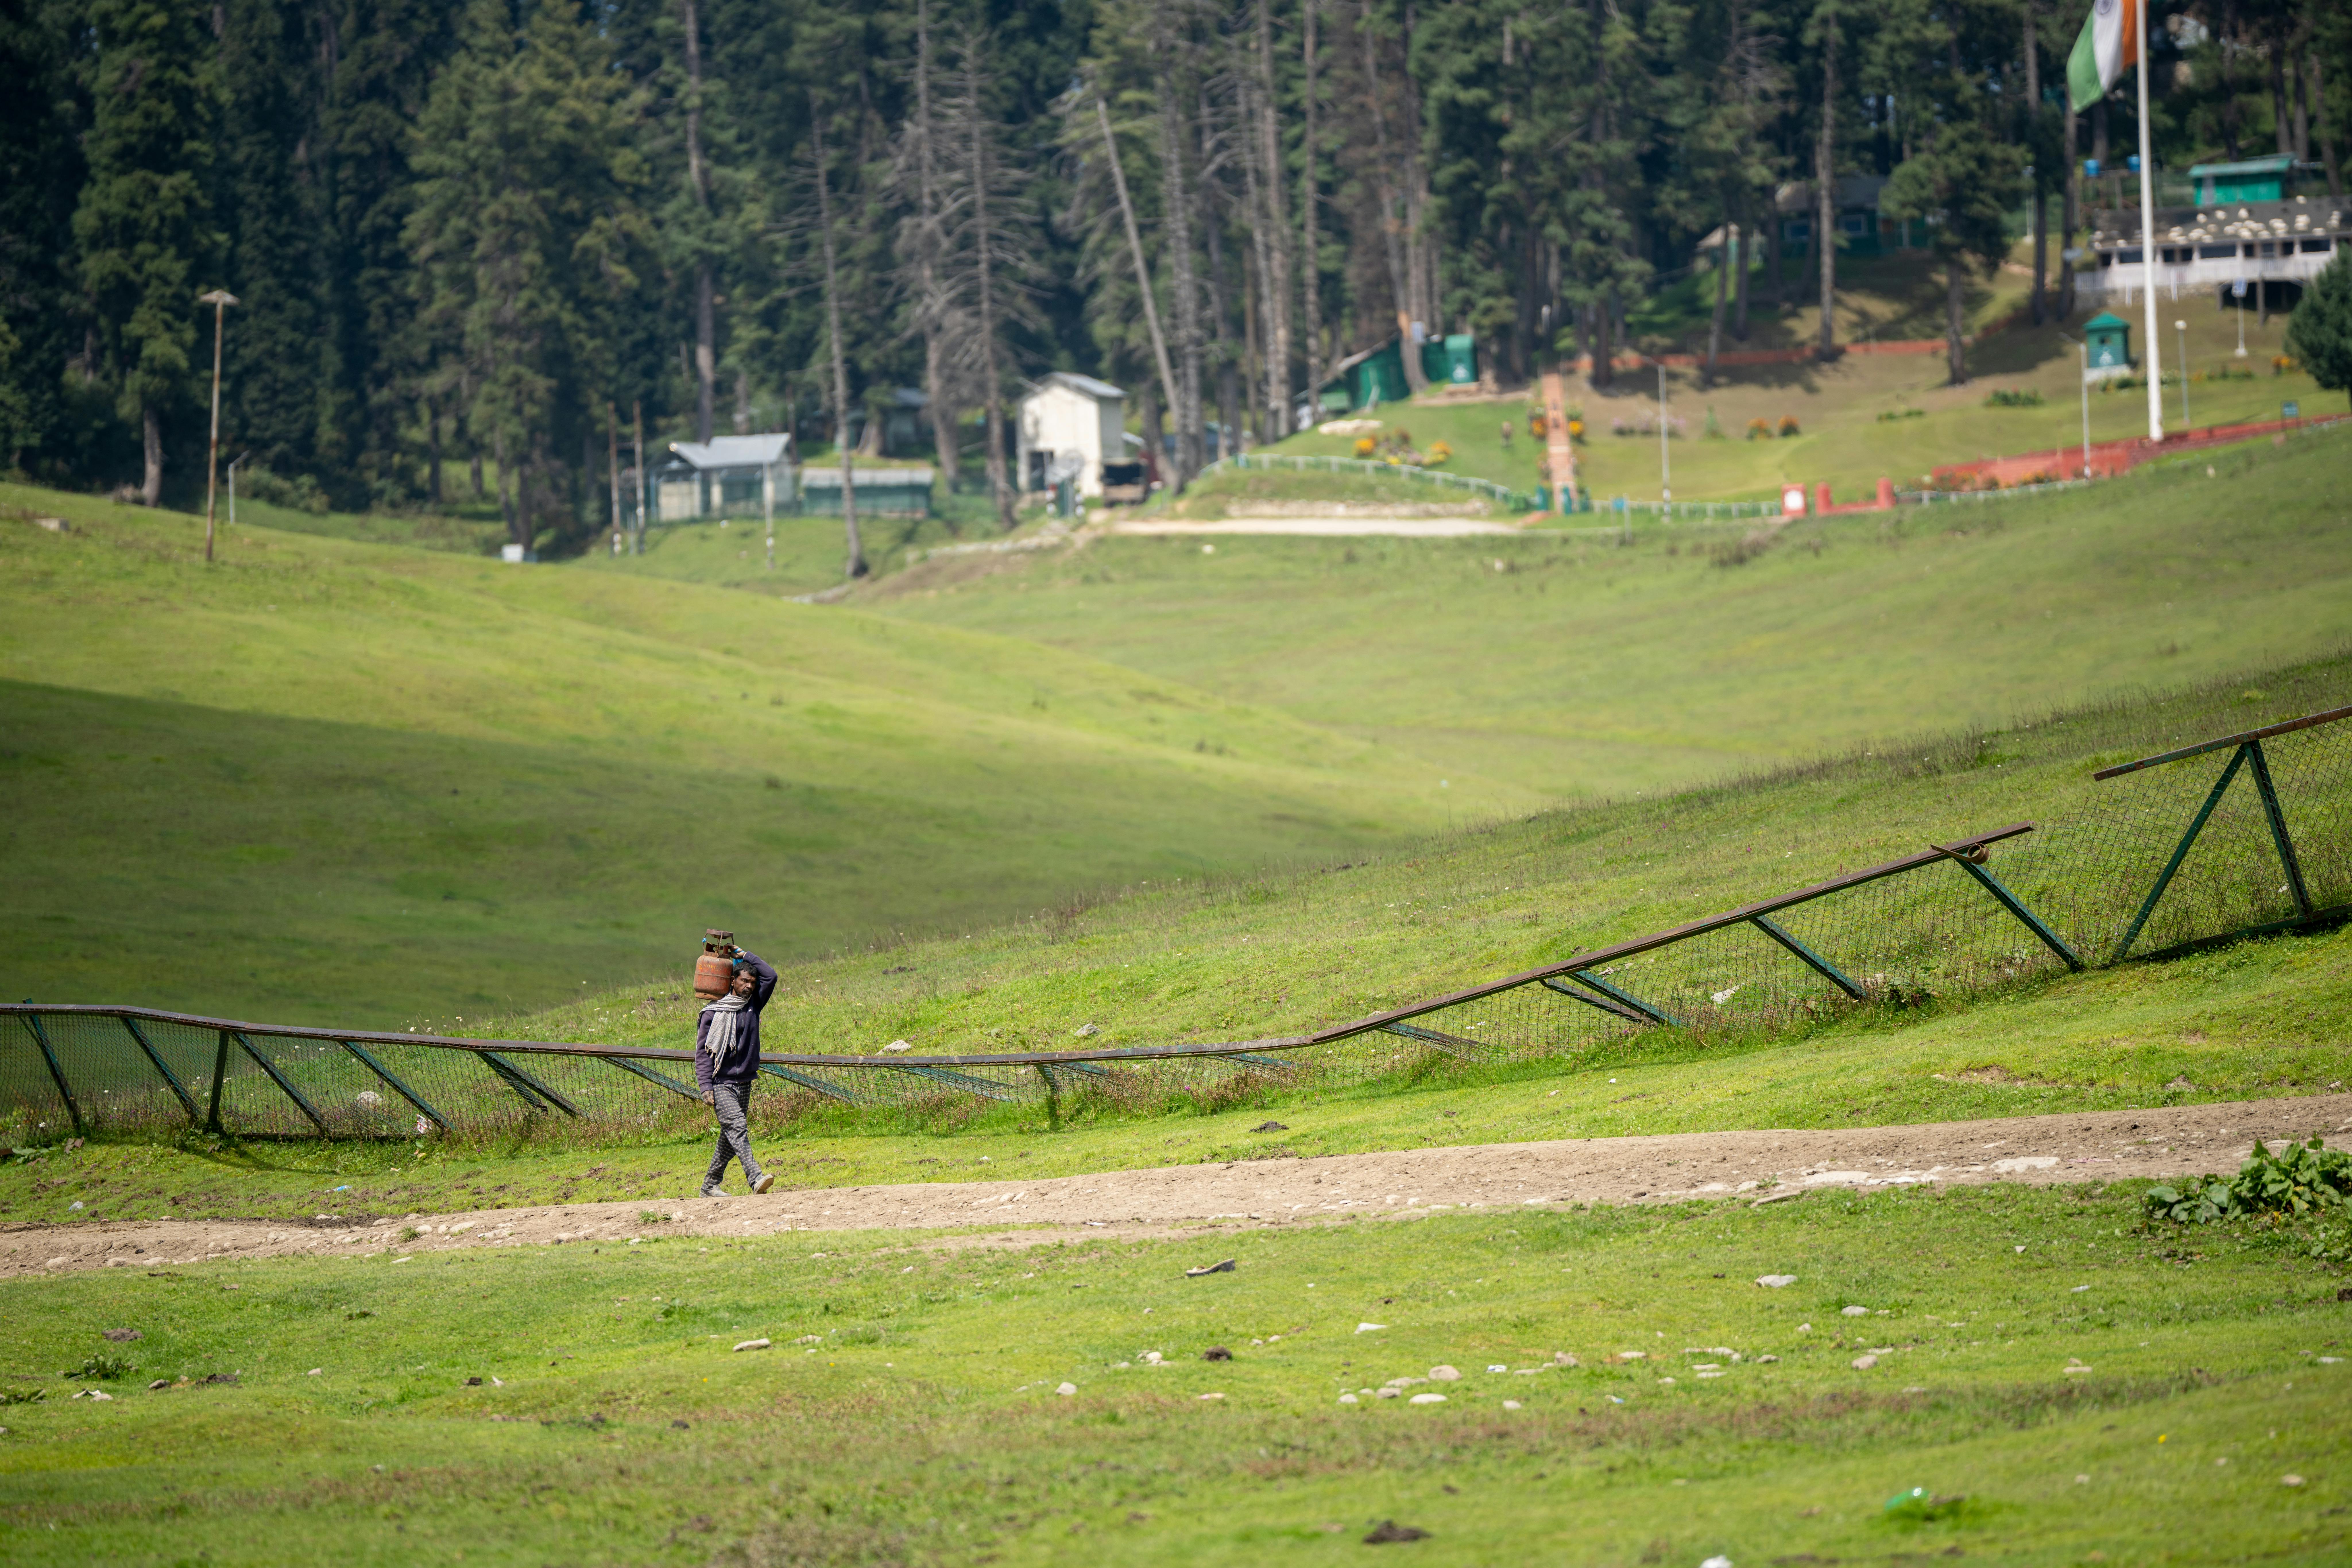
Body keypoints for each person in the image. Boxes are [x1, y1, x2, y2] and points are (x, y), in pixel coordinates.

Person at [694, 946, 779, 1196]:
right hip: (721, 1082)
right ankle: (755, 1178)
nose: (750, 986)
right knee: (738, 1127)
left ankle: (709, 1186)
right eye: (744, 981)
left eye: (753, 982)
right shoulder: (712, 1012)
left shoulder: (754, 1005)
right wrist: (705, 1086)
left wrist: (744, 955)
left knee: (730, 1136)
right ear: (733, 981)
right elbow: (702, 1052)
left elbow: (771, 975)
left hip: (745, 1081)